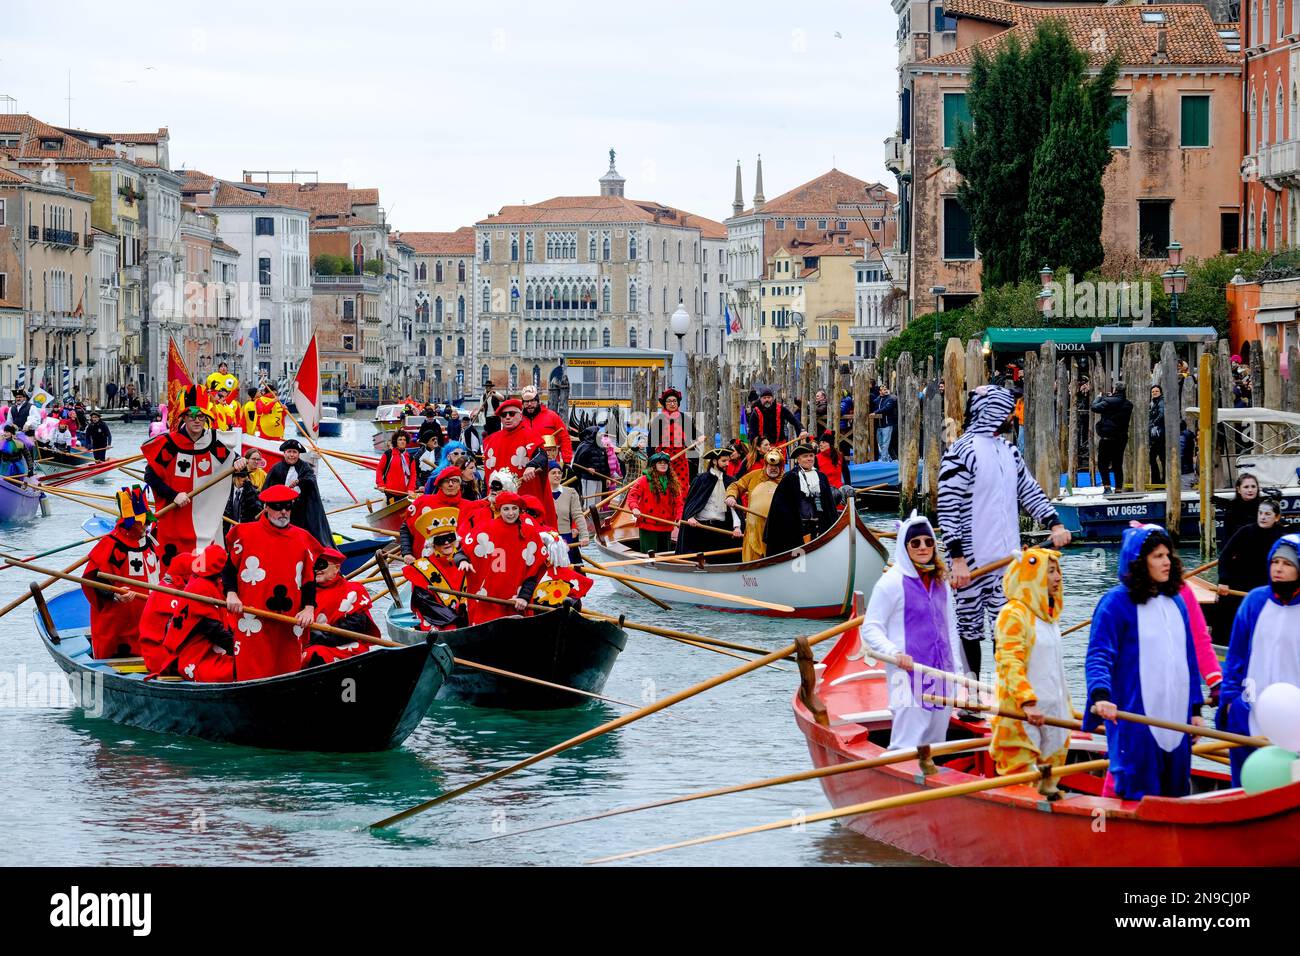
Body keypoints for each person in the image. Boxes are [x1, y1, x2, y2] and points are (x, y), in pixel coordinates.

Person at [937, 385, 1071, 679]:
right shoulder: (960, 452)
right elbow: (947, 508)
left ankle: (1006, 692)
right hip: (968, 560)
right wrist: (956, 558)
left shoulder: (1009, 450)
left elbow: (1029, 490)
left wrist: (1054, 523)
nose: (1013, 415)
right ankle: (971, 695)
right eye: (1009, 410)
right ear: (994, 412)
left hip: (1007, 559)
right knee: (968, 626)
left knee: (1006, 624)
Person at [1084, 524, 1204, 800]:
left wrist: (1195, 708)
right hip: (1135, 717)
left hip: (1176, 719)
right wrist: (1100, 694)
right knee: (1136, 788)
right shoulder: (1115, 603)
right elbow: (1099, 653)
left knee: (1176, 793)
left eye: (1168, 556)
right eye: (1158, 556)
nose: (1167, 562)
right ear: (1139, 562)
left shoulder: (1177, 602)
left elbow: (1188, 659)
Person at [858, 512, 965, 766]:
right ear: (905, 547)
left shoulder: (941, 582)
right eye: (915, 543)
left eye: (928, 542)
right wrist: (893, 652)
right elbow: (871, 628)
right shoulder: (891, 583)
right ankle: (894, 780)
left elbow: (951, 627)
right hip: (907, 674)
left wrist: (958, 669)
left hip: (942, 673)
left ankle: (931, 784)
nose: (923, 547)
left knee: (937, 742)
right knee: (906, 743)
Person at [1217, 533, 1300, 785]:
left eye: (1287, 564)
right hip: (1249, 713)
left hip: (1293, 720)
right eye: (1275, 562)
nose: (1278, 569)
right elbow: (1235, 657)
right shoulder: (1254, 601)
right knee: (1242, 787)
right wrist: (1230, 701)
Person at [991, 548, 1072, 798]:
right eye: (1050, 571)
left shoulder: (1049, 617)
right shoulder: (1013, 613)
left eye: (1058, 571)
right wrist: (1028, 701)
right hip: (1022, 715)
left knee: (1050, 782)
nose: (1058, 577)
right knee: (1021, 785)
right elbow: (1009, 661)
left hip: (1054, 714)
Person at [222, 485, 319, 680]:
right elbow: (229, 569)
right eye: (277, 506)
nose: (283, 511)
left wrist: (309, 608)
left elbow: (309, 579)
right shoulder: (245, 533)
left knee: (288, 671)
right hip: (252, 615)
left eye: (287, 506)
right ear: (266, 508)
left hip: (290, 621)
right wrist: (231, 593)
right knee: (251, 671)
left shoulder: (303, 538)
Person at [141, 404, 243, 567]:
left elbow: (234, 461)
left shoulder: (214, 442)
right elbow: (150, 476)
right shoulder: (169, 444)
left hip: (205, 518)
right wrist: (173, 495)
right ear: (184, 418)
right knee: (171, 566)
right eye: (192, 417)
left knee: (206, 564)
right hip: (174, 517)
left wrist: (239, 462)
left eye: (201, 417)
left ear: (206, 419)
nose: (197, 421)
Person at [82, 491, 160, 659]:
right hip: (118, 625)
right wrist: (114, 594)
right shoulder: (111, 544)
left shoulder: (149, 542)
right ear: (130, 523)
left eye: (147, 523)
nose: (147, 527)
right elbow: (91, 580)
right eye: (142, 523)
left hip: (148, 621)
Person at [457, 490, 546, 625]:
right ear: (499, 509)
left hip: (516, 601)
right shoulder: (485, 528)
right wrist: (463, 560)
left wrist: (524, 597)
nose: (511, 513)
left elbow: (534, 571)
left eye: (514, 508)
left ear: (520, 510)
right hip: (487, 601)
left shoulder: (531, 534)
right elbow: (461, 552)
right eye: (506, 509)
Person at [1215, 498, 1289, 641]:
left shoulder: (1281, 538)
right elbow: (1225, 557)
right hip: (1236, 586)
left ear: (1277, 517)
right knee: (1226, 625)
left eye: (1267, 514)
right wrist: (1223, 581)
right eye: (1260, 513)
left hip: (1264, 588)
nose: (1262, 517)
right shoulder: (1245, 532)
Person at [165, 545, 238, 682]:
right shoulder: (201, 588)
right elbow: (214, 631)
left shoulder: (200, 582)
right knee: (240, 669)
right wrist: (240, 650)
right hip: (197, 656)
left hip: (208, 650)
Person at [482, 397, 557, 527]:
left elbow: (542, 455)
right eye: (503, 415)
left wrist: (532, 465)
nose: (507, 417)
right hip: (497, 502)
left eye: (511, 414)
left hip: (523, 500)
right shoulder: (491, 440)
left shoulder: (529, 434)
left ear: (520, 415)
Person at [301, 547, 378, 668]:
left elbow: (357, 626)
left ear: (336, 568)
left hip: (342, 645)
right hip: (306, 642)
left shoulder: (353, 590)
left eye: (322, 565)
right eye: (313, 565)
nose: (317, 570)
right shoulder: (301, 591)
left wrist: (323, 633)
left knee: (316, 654)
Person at [764, 443, 838, 555]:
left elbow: (829, 506)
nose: (809, 459)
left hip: (819, 528)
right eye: (805, 456)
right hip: (797, 530)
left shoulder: (822, 477)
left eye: (811, 456)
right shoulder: (790, 477)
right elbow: (780, 508)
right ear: (798, 459)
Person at [404, 516, 471, 629]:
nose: (446, 542)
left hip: (470, 616)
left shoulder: (467, 560)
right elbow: (425, 604)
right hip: (441, 621)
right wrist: (456, 619)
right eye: (440, 540)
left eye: (450, 538)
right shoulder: (420, 569)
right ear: (432, 544)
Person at [677, 447, 743, 559]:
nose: (727, 464)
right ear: (714, 461)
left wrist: (737, 527)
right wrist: (690, 517)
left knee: (721, 560)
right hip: (702, 529)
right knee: (698, 560)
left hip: (722, 530)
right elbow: (692, 503)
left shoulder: (730, 482)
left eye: (728, 461)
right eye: (723, 461)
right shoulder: (701, 480)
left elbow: (733, 508)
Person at [263, 439, 331, 546]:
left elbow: (311, 480)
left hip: (301, 510)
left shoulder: (305, 467)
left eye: (294, 452)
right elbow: (266, 489)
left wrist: (300, 481)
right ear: (284, 453)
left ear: (298, 454)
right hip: (280, 509)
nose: (292, 455)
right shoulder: (276, 468)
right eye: (289, 452)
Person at [725, 450, 785, 562]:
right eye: (770, 465)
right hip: (754, 529)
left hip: (777, 530)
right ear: (765, 465)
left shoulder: (786, 480)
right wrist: (731, 496)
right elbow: (735, 486)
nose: (773, 468)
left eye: (777, 466)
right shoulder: (754, 475)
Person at [401, 466, 464, 563]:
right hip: (423, 564)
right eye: (447, 481)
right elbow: (406, 529)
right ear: (440, 485)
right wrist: (407, 553)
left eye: (454, 481)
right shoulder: (422, 502)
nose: (451, 484)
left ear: (459, 485)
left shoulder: (469, 507)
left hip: (456, 565)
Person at [625, 451, 682, 553]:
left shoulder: (673, 482)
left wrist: (679, 518)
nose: (663, 464)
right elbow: (632, 496)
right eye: (660, 463)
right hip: (648, 525)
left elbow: (679, 503)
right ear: (654, 465)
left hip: (666, 525)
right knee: (649, 556)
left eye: (665, 463)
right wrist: (635, 508)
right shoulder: (643, 480)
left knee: (664, 557)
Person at [1091, 384, 1133, 494]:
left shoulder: (1108, 401)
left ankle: (1107, 486)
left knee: (1103, 463)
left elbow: (1094, 407)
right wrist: (1109, 398)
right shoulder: (1128, 404)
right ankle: (1118, 488)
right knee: (1117, 464)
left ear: (1115, 389)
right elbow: (1117, 404)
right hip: (1121, 438)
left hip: (1107, 437)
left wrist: (1099, 397)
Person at [650, 387, 694, 490]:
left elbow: (695, 436)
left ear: (678, 403)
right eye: (669, 401)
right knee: (663, 487)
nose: (672, 404)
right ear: (665, 404)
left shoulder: (684, 418)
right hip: (663, 460)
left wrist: (697, 441)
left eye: (674, 401)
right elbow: (651, 443)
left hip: (681, 460)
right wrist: (651, 462)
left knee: (681, 487)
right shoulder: (658, 420)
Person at [549, 461, 590, 564]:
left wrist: (585, 535)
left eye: (559, 473)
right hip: (547, 538)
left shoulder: (570, 492)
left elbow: (578, 515)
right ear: (547, 475)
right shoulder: (540, 493)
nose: (557, 475)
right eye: (553, 473)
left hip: (565, 539)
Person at [521, 385, 573, 463]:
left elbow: (564, 438)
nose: (529, 404)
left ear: (538, 401)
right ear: (523, 403)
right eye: (526, 401)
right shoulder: (518, 420)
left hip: (550, 464)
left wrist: (567, 461)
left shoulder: (552, 416)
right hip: (525, 463)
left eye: (532, 401)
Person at [1219, 472, 1261, 551]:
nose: (1250, 490)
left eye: (1253, 486)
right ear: (1238, 490)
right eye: (1246, 487)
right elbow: (1226, 538)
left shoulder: (1264, 508)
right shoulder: (1231, 511)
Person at [573, 425, 615, 503]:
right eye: (598, 434)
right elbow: (576, 464)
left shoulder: (601, 447)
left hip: (599, 479)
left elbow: (605, 464)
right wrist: (587, 469)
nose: (600, 436)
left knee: (598, 502)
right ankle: (586, 515)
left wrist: (607, 477)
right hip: (588, 479)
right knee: (589, 502)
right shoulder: (584, 447)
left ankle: (596, 515)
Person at [376, 431, 418, 504]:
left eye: (404, 440)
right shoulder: (388, 454)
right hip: (390, 492)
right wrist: (380, 484)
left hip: (405, 493)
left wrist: (411, 489)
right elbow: (379, 469)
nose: (402, 442)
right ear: (396, 441)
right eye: (400, 439)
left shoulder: (411, 458)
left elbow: (413, 475)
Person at [874, 384, 897, 463]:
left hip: (887, 424)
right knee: (880, 443)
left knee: (885, 443)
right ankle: (886, 458)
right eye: (883, 389)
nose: (885, 390)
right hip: (878, 425)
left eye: (886, 388)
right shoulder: (876, 400)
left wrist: (875, 412)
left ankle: (884, 460)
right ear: (880, 391)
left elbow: (886, 409)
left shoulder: (890, 399)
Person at [1148, 384, 1166, 485]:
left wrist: (1154, 423)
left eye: (1156, 391)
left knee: (1159, 458)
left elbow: (1162, 414)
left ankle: (1159, 482)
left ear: (1160, 392)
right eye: (1153, 392)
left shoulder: (1161, 402)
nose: (1154, 393)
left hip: (1160, 435)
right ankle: (1159, 481)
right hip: (1157, 435)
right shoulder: (1154, 402)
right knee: (1155, 458)